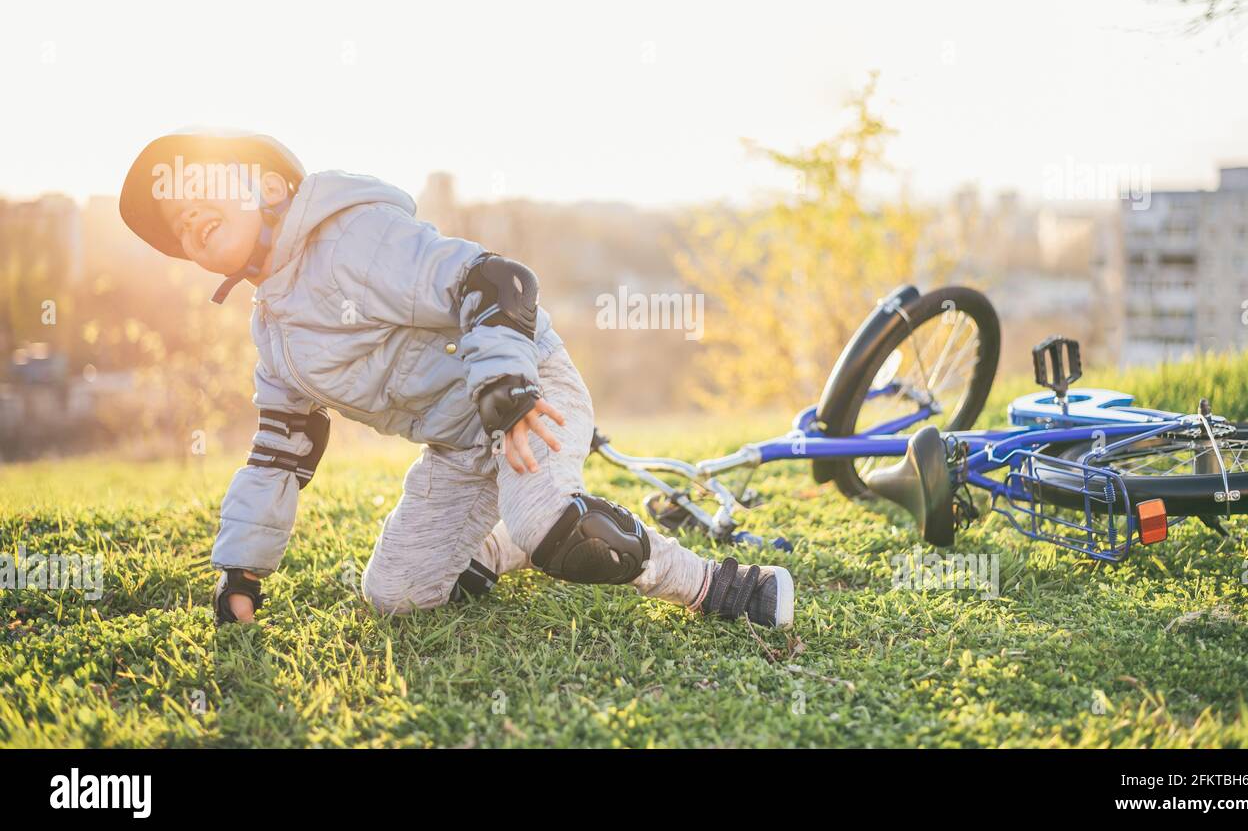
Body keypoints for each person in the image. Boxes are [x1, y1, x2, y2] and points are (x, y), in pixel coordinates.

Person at [118, 130, 795, 630]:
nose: (190, 219)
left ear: (267, 187)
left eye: (200, 193)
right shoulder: (276, 334)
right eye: (179, 224)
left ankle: (722, 585)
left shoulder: (353, 237)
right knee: (395, 594)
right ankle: (502, 548)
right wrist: (242, 569)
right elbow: (280, 451)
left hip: (530, 394)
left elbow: (497, 281)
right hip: (460, 447)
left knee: (557, 524)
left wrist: (507, 389)